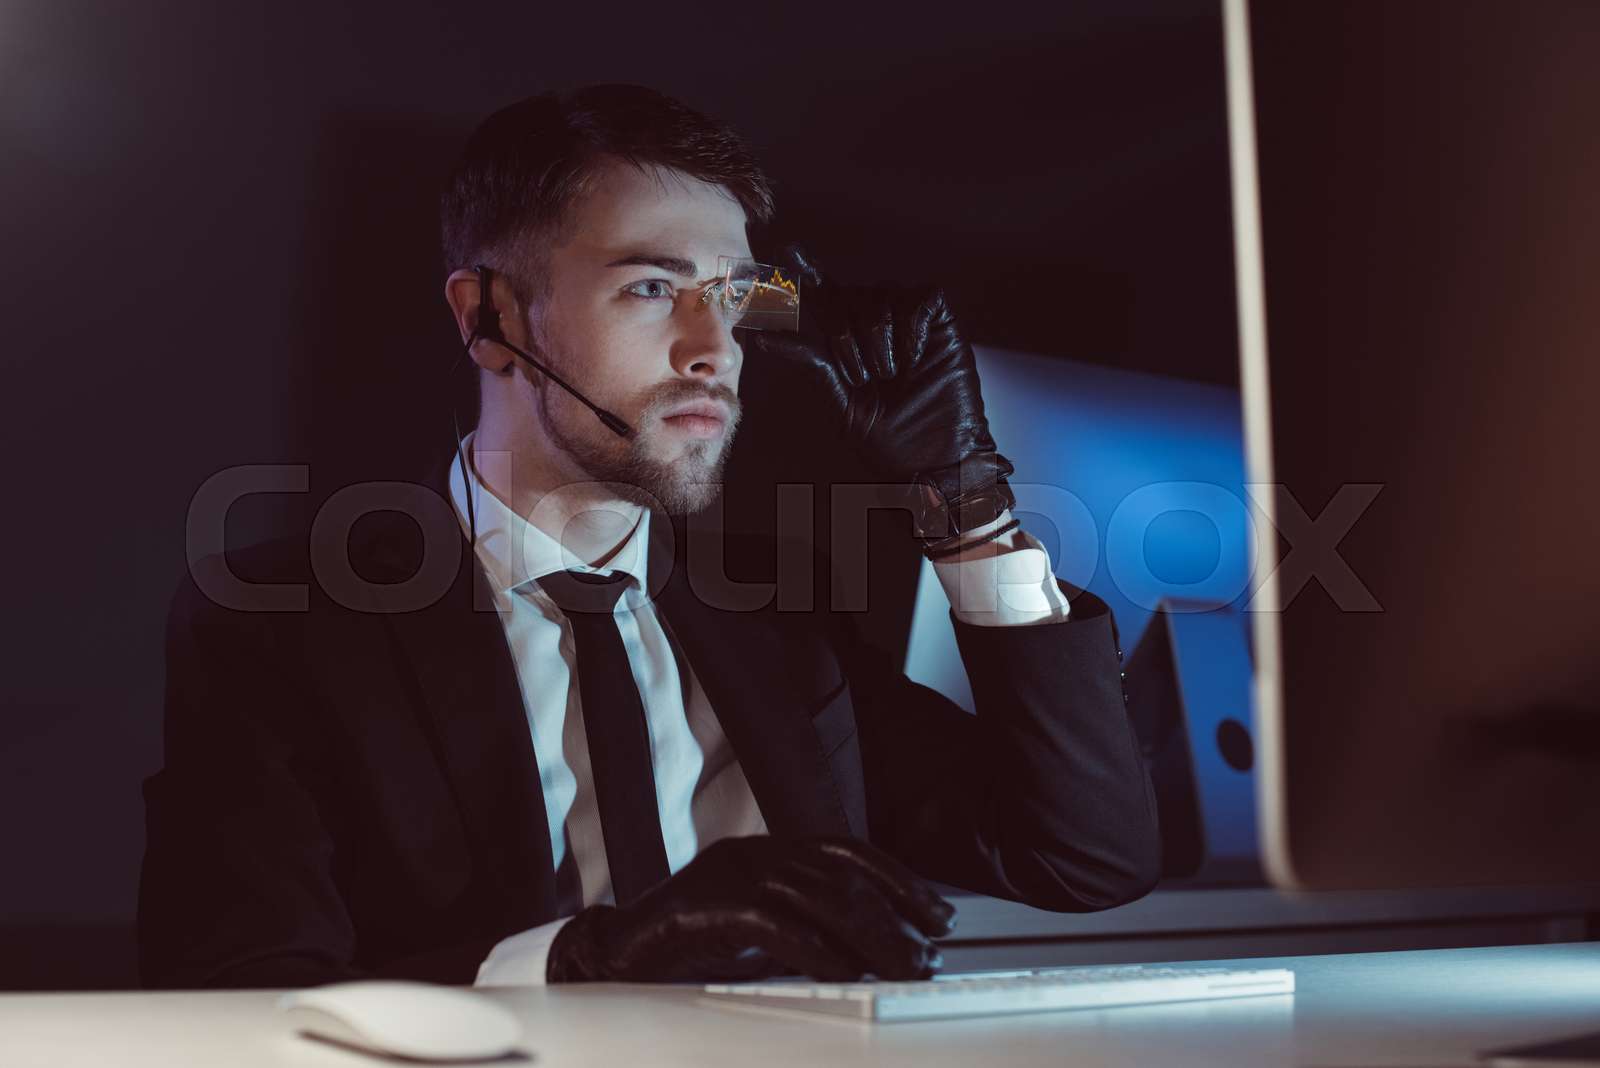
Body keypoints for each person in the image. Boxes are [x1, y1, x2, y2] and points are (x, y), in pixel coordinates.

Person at [137, 84, 1160, 989]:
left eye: (731, 295)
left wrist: (967, 499)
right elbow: (238, 991)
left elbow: (1081, 858)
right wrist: (580, 960)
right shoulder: (282, 628)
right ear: (489, 317)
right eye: (651, 288)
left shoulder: (775, 612)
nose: (714, 348)